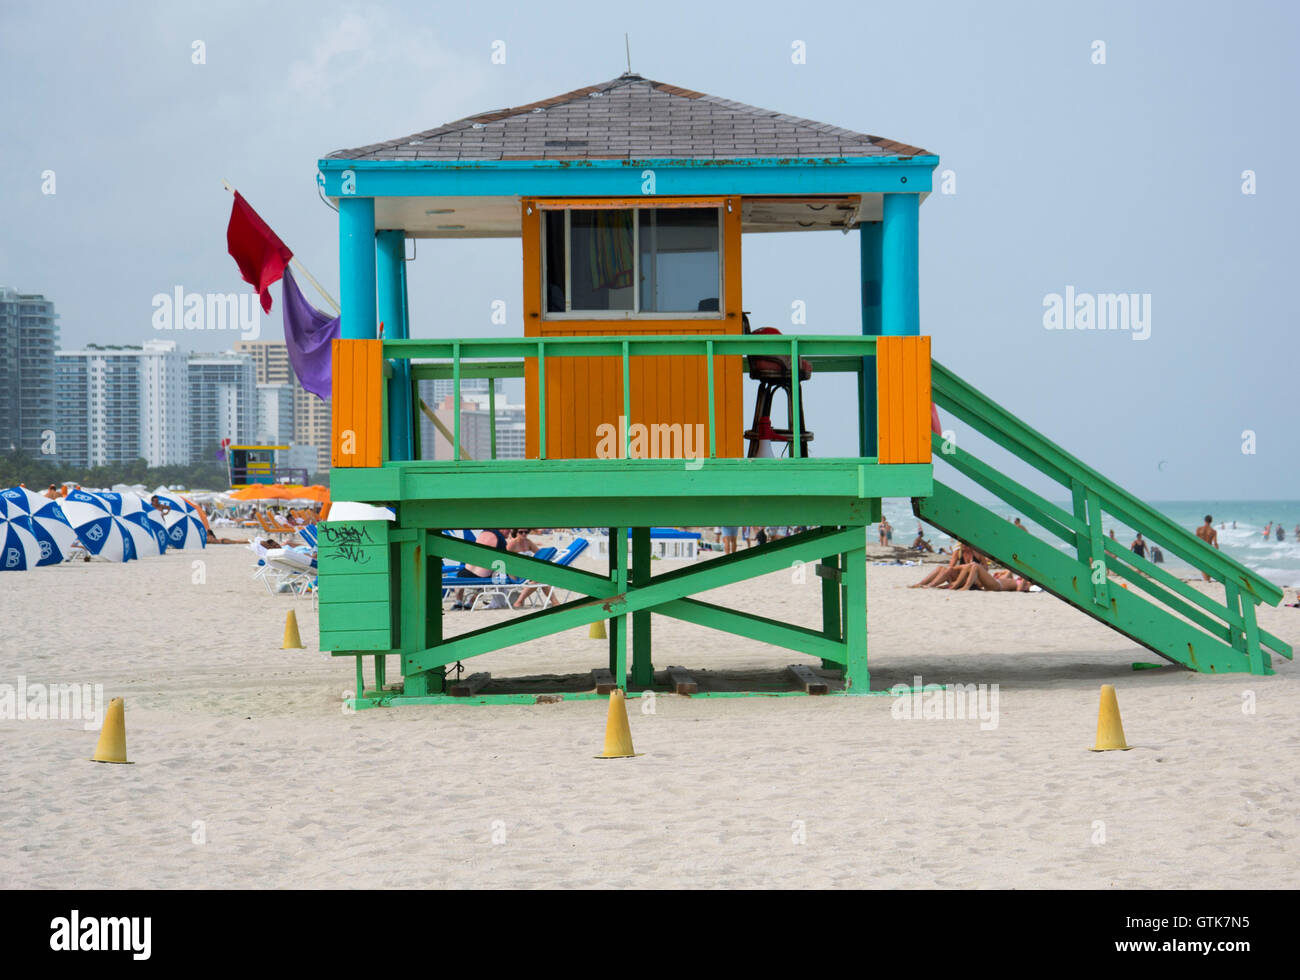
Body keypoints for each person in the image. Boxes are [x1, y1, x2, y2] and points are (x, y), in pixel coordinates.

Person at [451, 528, 509, 610]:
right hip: (482, 575)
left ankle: (458, 602)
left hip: (466, 571)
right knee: (482, 585)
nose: (509, 532)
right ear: (501, 529)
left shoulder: (484, 532)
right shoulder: (500, 538)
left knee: (459, 579)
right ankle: (470, 603)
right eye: (508, 529)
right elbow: (504, 559)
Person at [910, 542, 984, 588]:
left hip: (972, 580)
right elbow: (951, 567)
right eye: (961, 544)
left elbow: (985, 569)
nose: (962, 546)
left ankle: (930, 586)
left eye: (964, 544)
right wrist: (962, 567)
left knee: (948, 569)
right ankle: (921, 584)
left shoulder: (977, 553)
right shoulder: (958, 552)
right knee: (940, 568)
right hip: (959, 578)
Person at [1194, 515, 1219, 582]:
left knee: (1203, 565)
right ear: (1211, 521)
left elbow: (1195, 540)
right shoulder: (1213, 531)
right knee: (1209, 565)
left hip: (1201, 549)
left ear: (1204, 520)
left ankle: (1206, 580)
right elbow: (1215, 543)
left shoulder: (1199, 529)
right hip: (1209, 550)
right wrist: (1217, 553)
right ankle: (1207, 579)